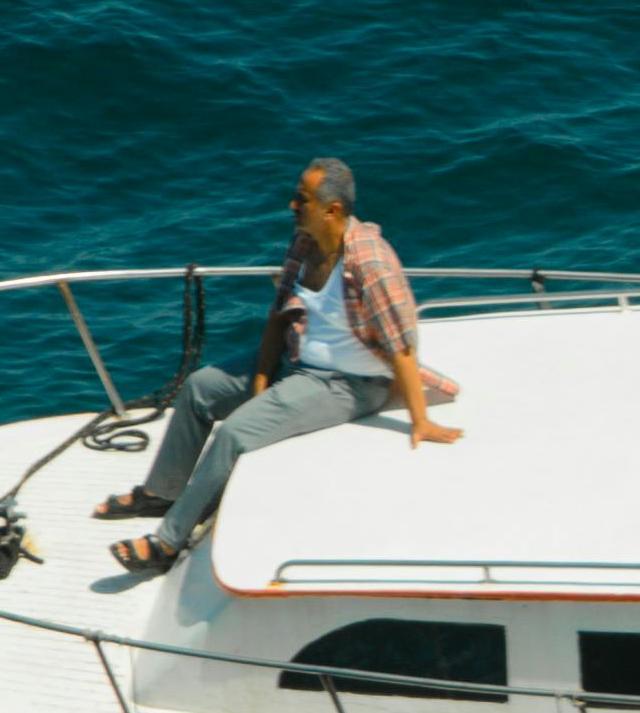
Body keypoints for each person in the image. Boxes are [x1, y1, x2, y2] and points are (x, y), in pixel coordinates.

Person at [103, 156, 461, 577]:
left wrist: (420, 421)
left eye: (302, 199)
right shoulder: (304, 244)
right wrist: (259, 383)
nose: (292, 205)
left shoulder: (371, 264)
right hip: (296, 358)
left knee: (235, 433)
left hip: (348, 383)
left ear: (332, 211)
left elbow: (402, 344)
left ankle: (167, 542)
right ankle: (162, 491)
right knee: (200, 387)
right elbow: (277, 318)